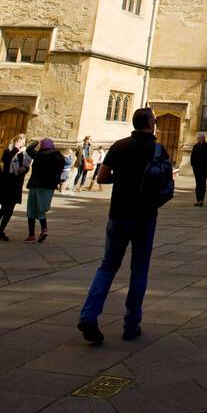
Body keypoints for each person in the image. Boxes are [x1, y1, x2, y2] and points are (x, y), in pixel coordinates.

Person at [77, 106, 173, 344]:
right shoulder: (157, 149)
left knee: (107, 267)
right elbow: (166, 183)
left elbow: (101, 177)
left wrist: (121, 178)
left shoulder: (118, 146)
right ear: (150, 124)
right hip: (145, 216)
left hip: (117, 215)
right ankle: (131, 324)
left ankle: (89, 315)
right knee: (139, 271)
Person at [0, 133, 27, 242]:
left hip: (16, 184)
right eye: (22, 140)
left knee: (9, 210)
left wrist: (24, 169)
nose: (23, 142)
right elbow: (6, 160)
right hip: (6, 183)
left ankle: (0, 232)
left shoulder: (24, 154)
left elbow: (25, 166)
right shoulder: (8, 151)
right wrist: (15, 149)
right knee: (4, 209)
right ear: (17, 141)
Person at [24, 138, 64, 243]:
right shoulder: (59, 157)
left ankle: (31, 235)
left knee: (31, 209)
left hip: (37, 185)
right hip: (50, 187)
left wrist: (36, 141)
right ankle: (44, 229)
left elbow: (29, 149)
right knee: (42, 209)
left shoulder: (41, 155)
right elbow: (60, 172)